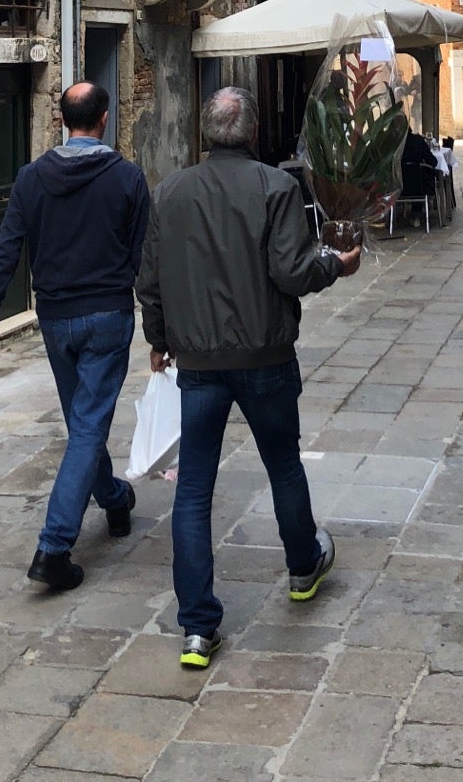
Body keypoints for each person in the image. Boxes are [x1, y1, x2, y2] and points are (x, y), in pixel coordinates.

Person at [138, 86, 361, 669]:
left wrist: (159, 341)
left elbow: (151, 281)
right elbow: (292, 271)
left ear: (204, 134)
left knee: (193, 492)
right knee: (283, 464)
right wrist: (336, 264)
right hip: (265, 356)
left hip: (200, 364)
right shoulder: (276, 187)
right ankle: (302, 566)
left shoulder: (169, 192)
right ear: (254, 134)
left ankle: (196, 629)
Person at [0, 81, 150, 592]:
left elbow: (6, 249)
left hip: (56, 320)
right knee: (89, 426)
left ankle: (116, 501)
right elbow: (144, 259)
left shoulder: (31, 179)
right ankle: (54, 547)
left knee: (84, 423)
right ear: (103, 119)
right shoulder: (127, 179)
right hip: (109, 316)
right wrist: (162, 327)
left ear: (63, 120)